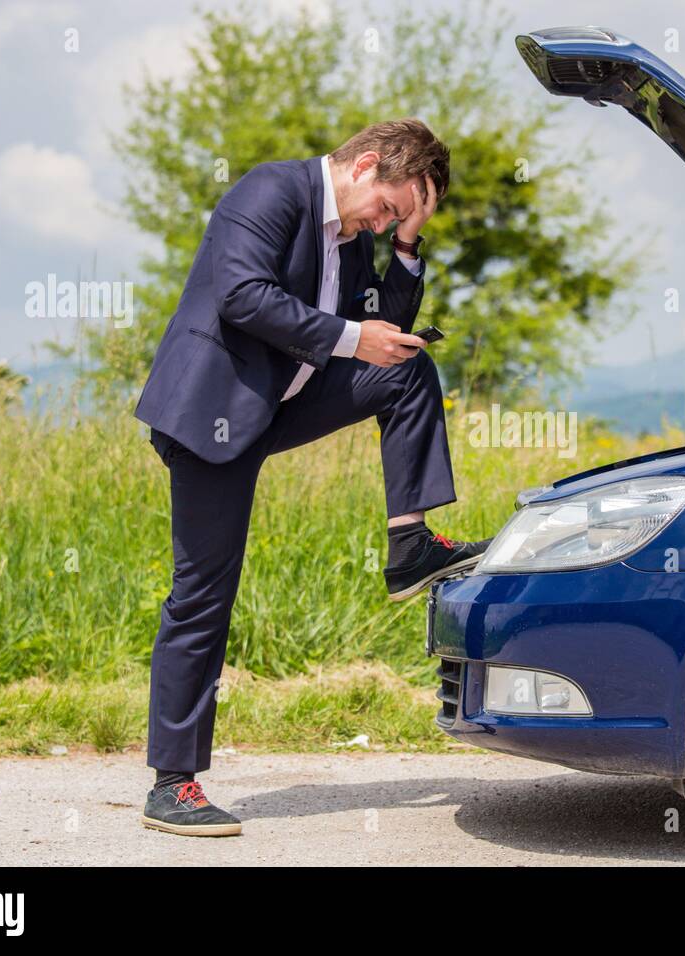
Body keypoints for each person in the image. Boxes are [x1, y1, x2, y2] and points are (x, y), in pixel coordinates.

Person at [132, 118, 490, 836]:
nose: (383, 221)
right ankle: (173, 784)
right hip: (214, 416)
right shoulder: (269, 190)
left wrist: (407, 247)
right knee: (203, 592)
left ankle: (409, 545)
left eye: (397, 218)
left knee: (410, 368)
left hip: (282, 401)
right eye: (389, 207)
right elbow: (241, 294)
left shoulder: (356, 240)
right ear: (363, 165)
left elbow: (383, 331)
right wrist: (356, 337)